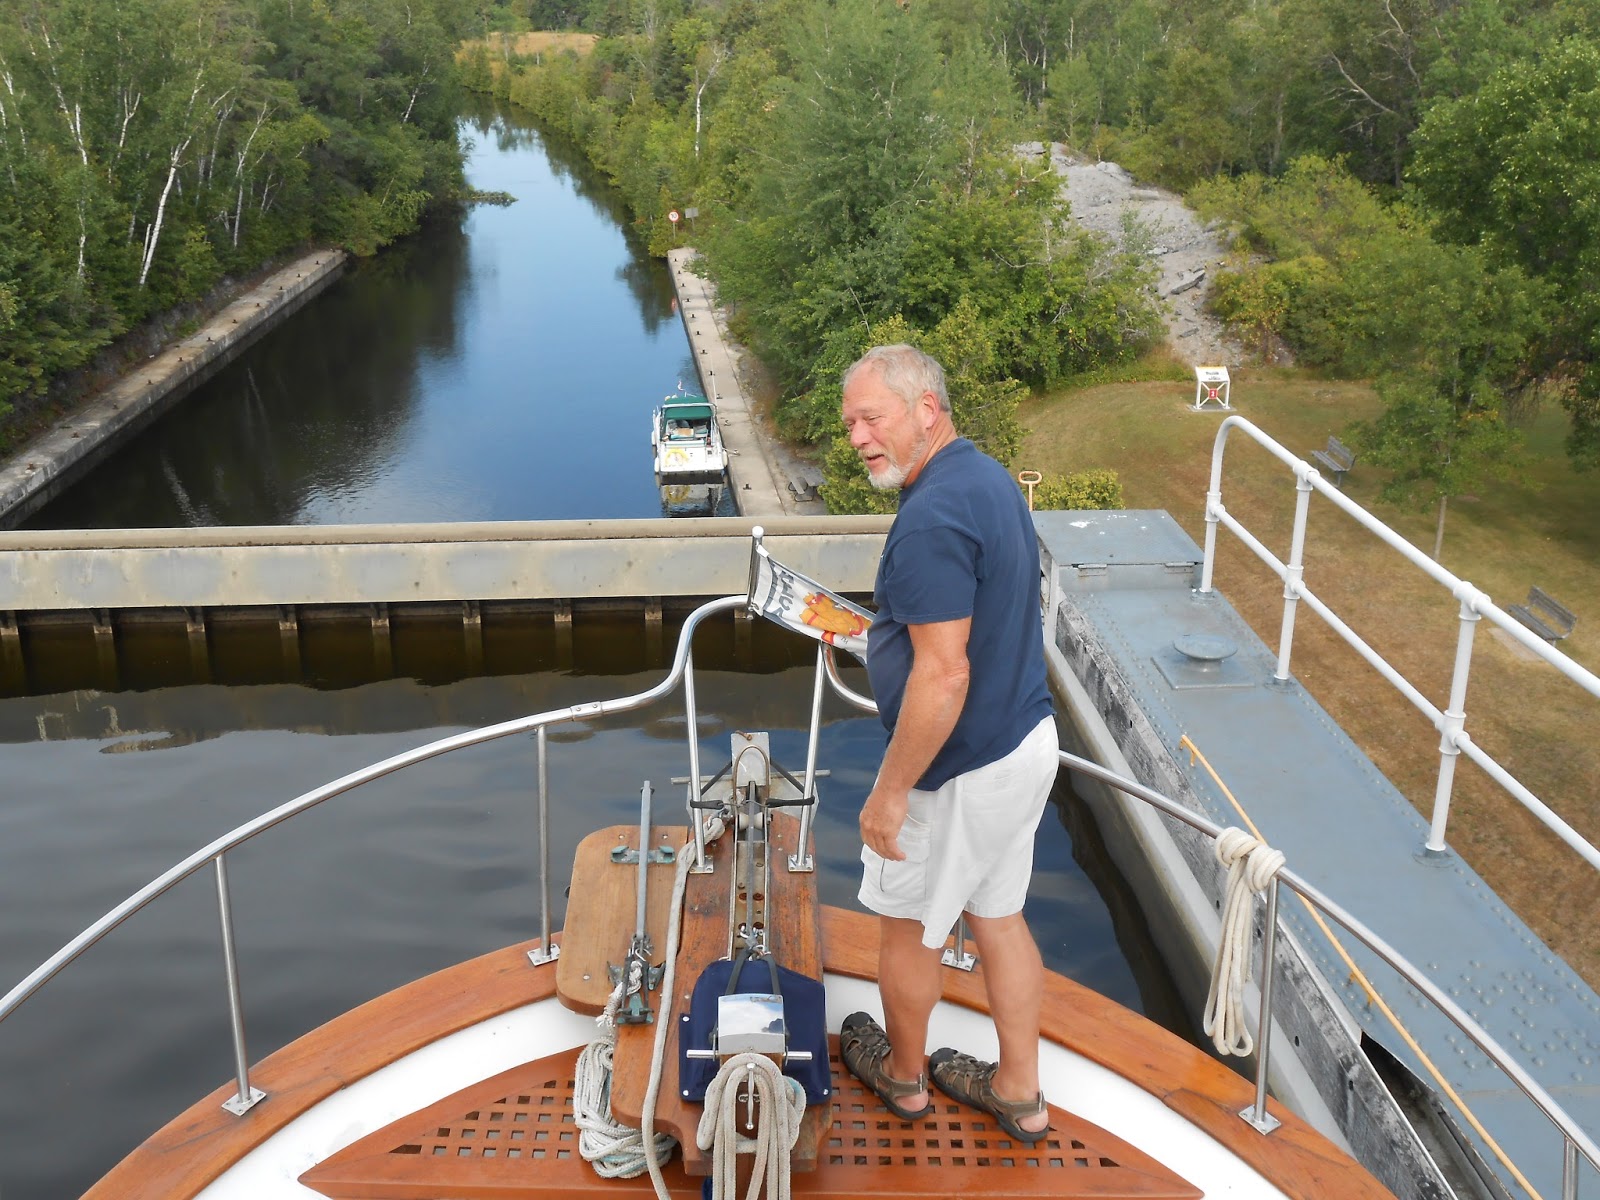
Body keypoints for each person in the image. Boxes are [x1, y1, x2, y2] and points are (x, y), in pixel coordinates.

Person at [836, 343, 1058, 1144]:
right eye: (850, 423)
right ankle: (1020, 1094)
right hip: (1023, 742)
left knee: (907, 928)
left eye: (873, 417)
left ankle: (902, 1081)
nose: (858, 437)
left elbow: (943, 677)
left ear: (925, 409)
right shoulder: (988, 479)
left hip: (955, 770)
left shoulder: (927, 518)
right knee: (999, 916)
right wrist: (882, 635)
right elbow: (971, 622)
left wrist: (891, 792)